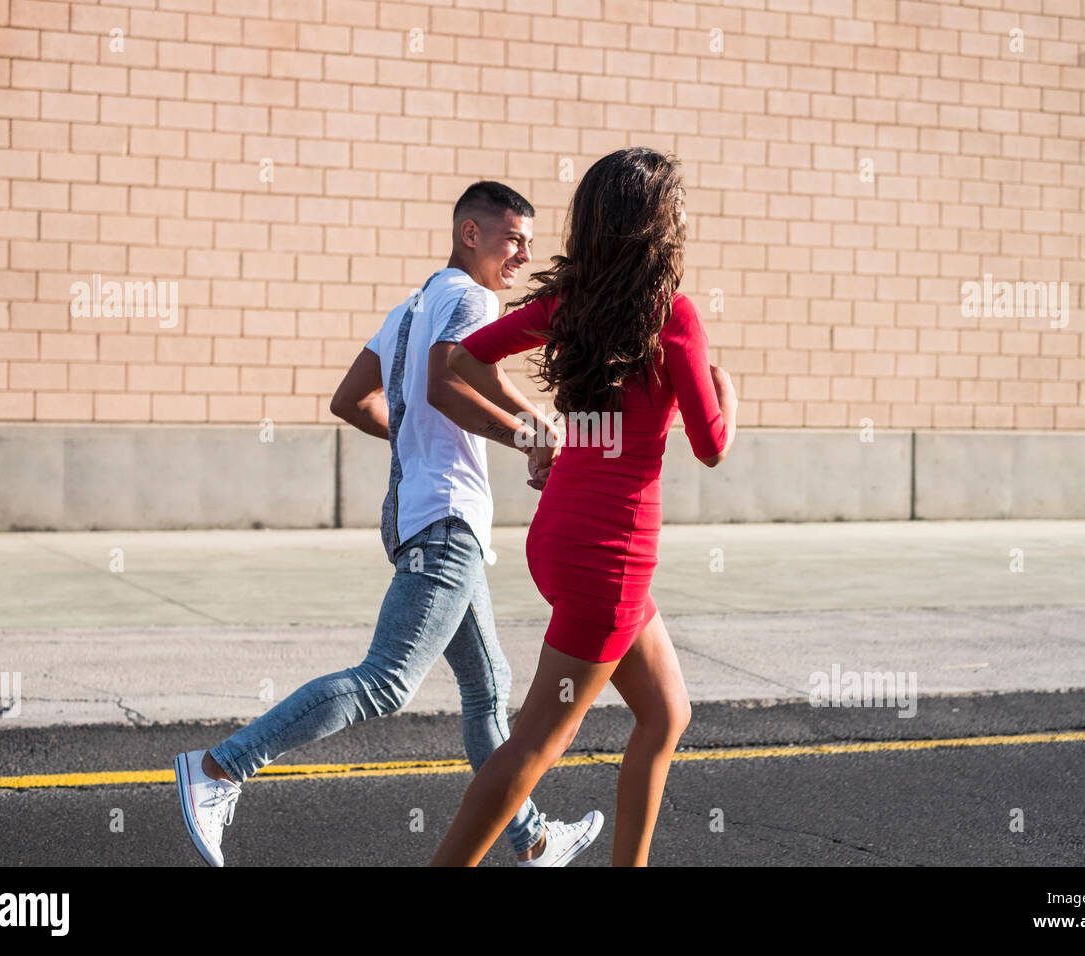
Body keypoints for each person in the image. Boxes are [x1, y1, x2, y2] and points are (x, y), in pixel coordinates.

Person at [174, 181, 603, 867]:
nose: (523, 253)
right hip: (446, 519)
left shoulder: (411, 307)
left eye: (527, 240)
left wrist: (432, 439)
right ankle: (221, 768)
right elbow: (449, 382)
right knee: (387, 681)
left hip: (416, 512)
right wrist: (529, 436)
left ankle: (534, 841)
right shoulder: (471, 297)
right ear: (471, 233)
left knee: (487, 689)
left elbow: (354, 400)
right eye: (511, 237)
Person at [430, 148, 738, 867]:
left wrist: (545, 436)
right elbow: (712, 446)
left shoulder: (573, 305)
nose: (687, 215)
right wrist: (730, 393)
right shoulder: (674, 317)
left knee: (665, 715)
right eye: (678, 206)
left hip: (562, 537)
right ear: (654, 226)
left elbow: (467, 360)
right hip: (613, 557)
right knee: (539, 741)